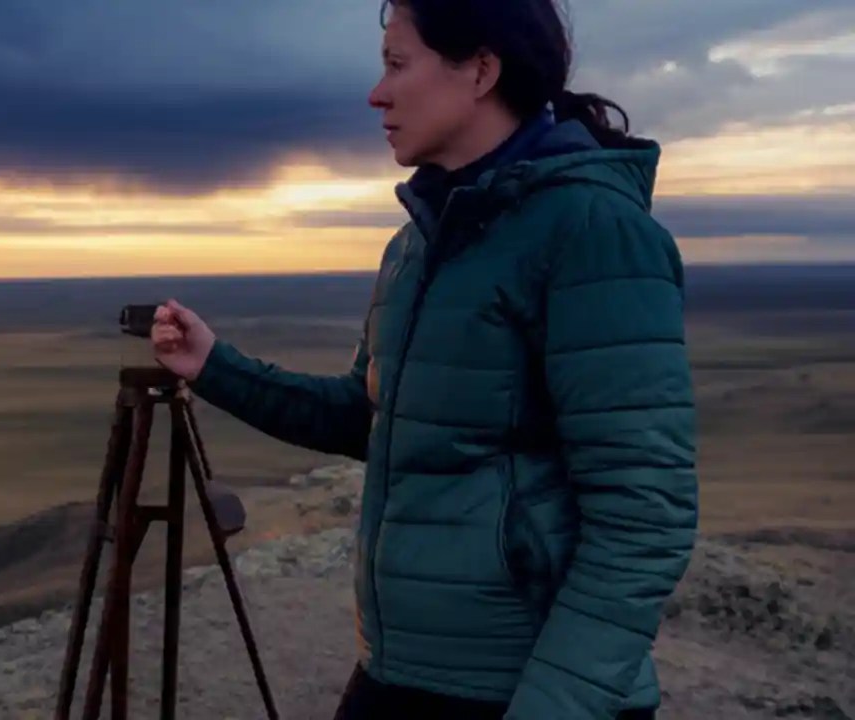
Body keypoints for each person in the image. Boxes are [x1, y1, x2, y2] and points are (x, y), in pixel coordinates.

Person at [151, 0, 698, 717]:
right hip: (402, 674)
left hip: (518, 691)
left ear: (480, 71)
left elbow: (644, 514)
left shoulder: (592, 232)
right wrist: (214, 365)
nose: (376, 94)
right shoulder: (415, 247)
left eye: (396, 64)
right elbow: (371, 416)